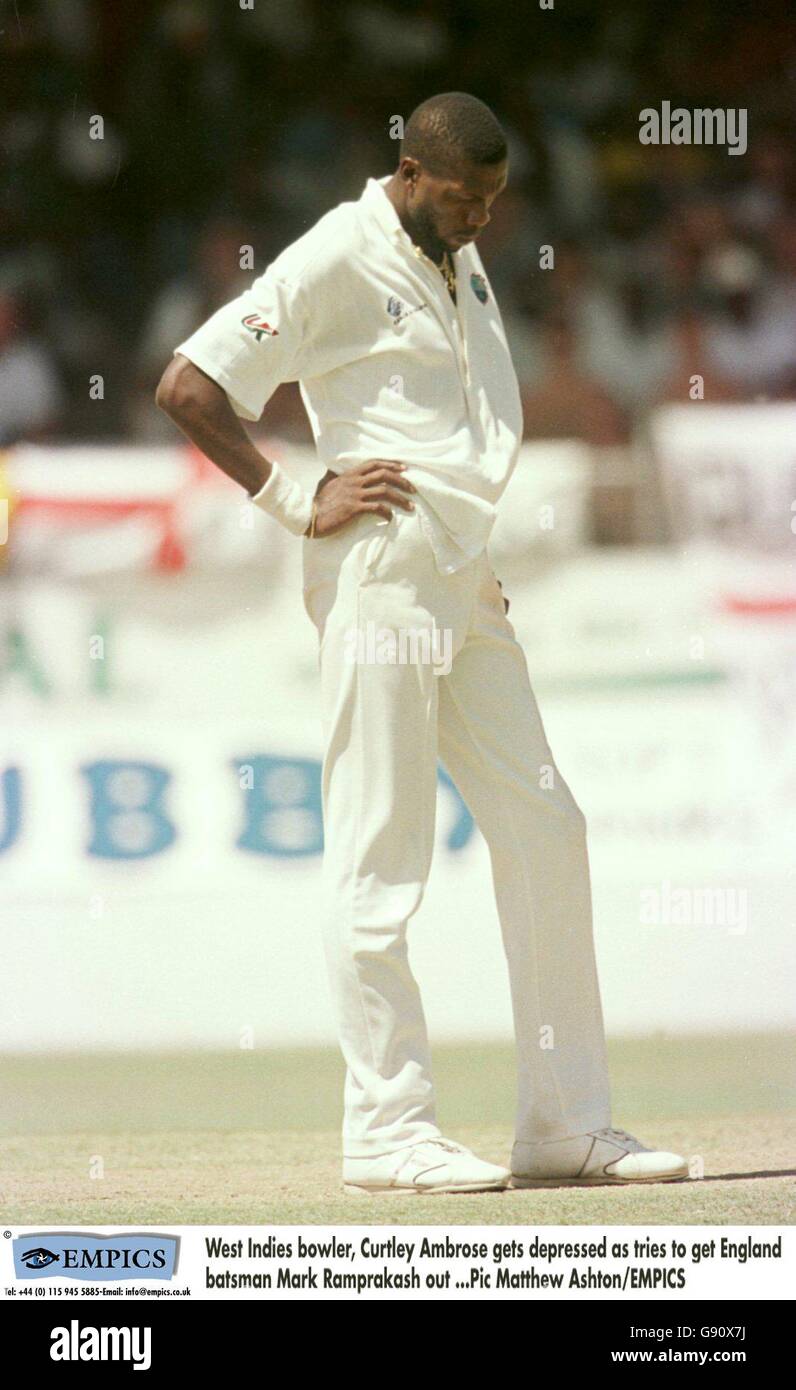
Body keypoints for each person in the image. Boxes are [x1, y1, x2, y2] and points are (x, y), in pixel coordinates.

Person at [156, 92, 688, 1195]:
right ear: (408, 170)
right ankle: (387, 1129)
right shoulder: (333, 255)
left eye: (494, 201)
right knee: (380, 849)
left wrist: (469, 548)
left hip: (458, 572)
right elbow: (187, 385)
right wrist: (295, 496)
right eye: (463, 197)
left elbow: (453, 425)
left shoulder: (450, 247)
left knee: (547, 826)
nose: (482, 218)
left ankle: (563, 1124)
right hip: (382, 572)